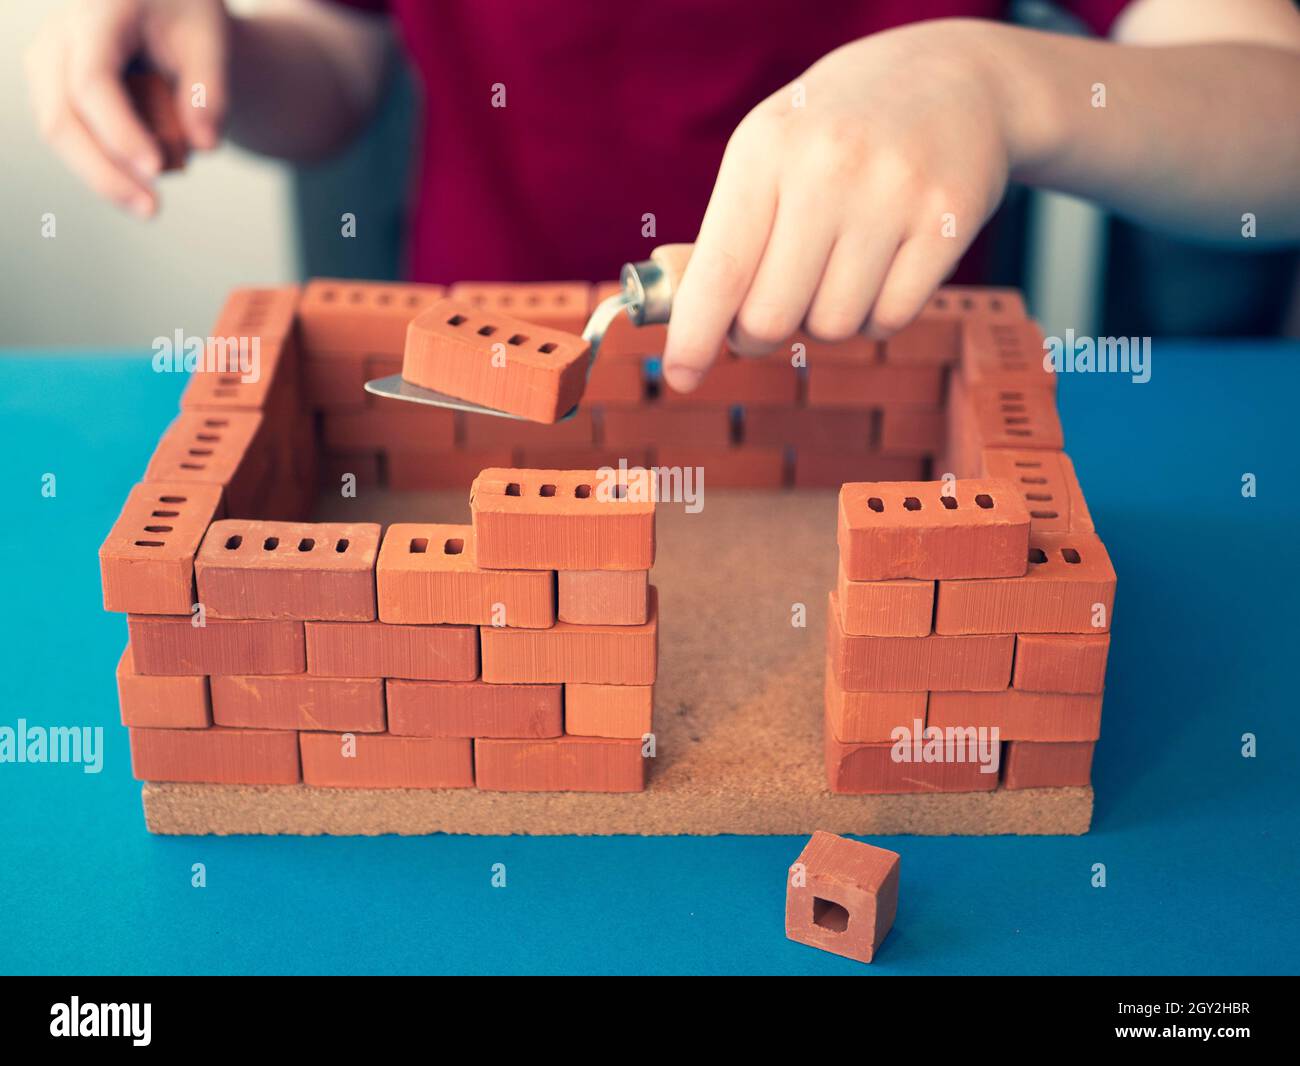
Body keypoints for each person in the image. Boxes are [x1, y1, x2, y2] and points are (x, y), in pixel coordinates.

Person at [24, 0, 1300, 393]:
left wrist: (1000, 83)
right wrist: (222, 60)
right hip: (480, 382)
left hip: (869, 390)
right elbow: (344, 64)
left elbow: (1274, 103)